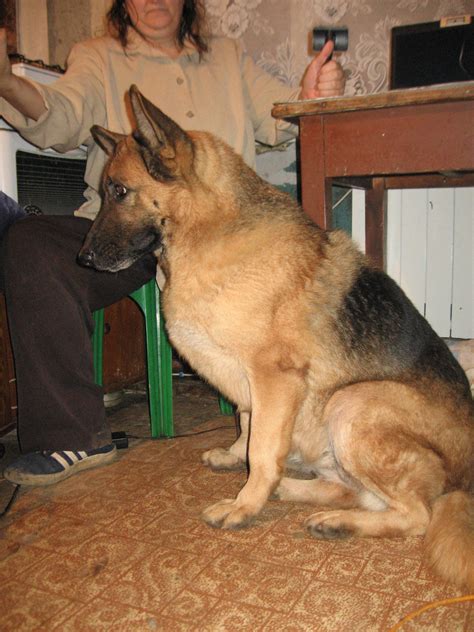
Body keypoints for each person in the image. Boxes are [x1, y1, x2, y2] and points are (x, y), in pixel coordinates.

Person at [0, 0, 345, 487]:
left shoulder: (228, 56)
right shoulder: (97, 56)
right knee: (28, 242)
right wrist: (7, 83)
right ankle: (71, 435)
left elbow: (285, 116)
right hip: (128, 228)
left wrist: (312, 94)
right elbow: (60, 119)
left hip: (223, 240)